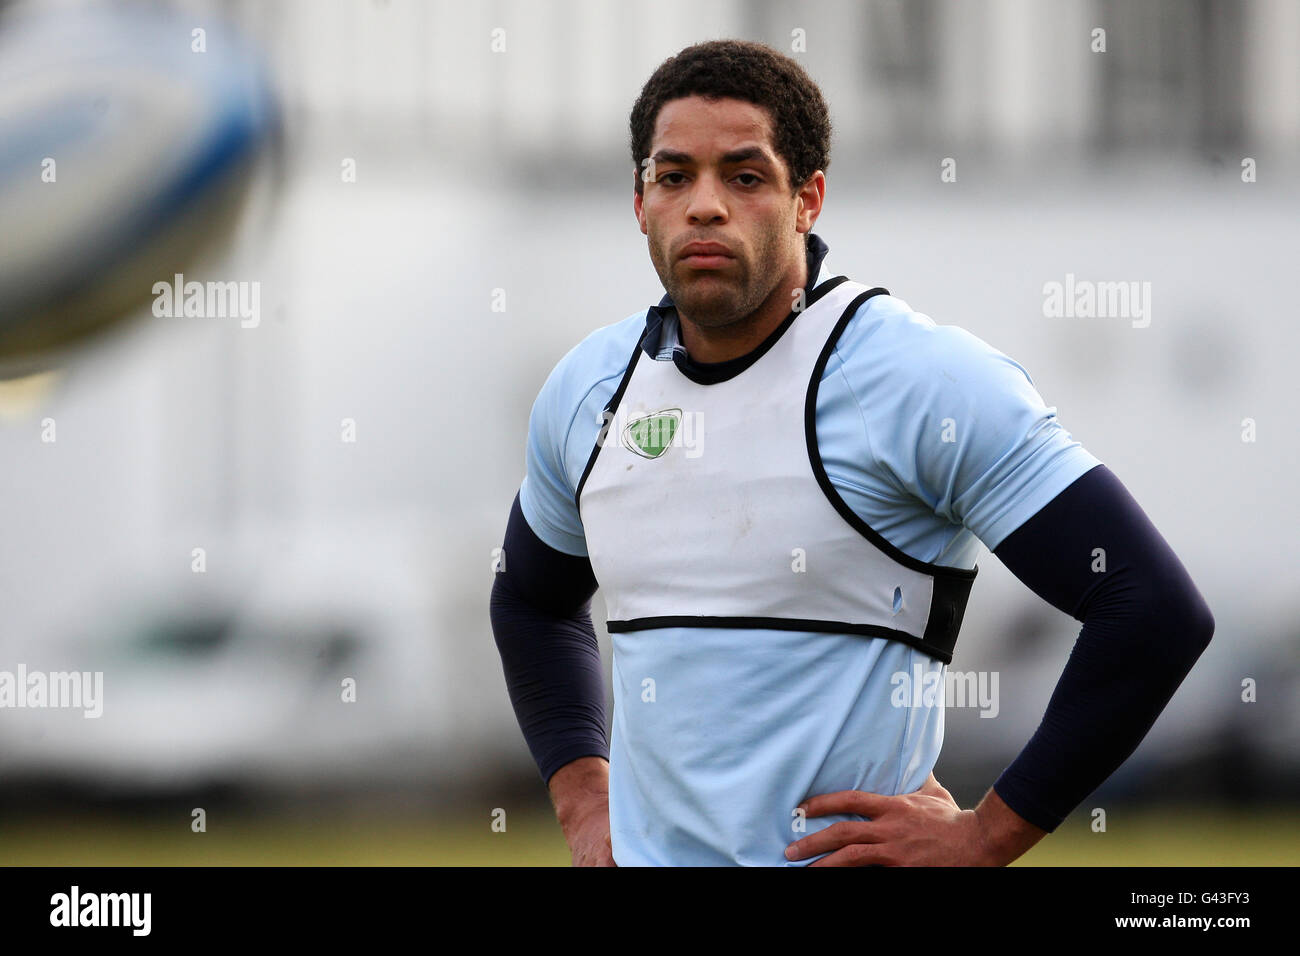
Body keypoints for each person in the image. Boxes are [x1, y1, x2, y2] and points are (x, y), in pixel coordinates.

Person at [489, 39, 1214, 866]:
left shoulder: (919, 381)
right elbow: (531, 603)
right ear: (640, 199)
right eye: (674, 175)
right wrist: (584, 796)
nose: (705, 205)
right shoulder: (589, 391)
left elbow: (1151, 609)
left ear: (809, 199)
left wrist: (987, 835)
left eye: (745, 175)